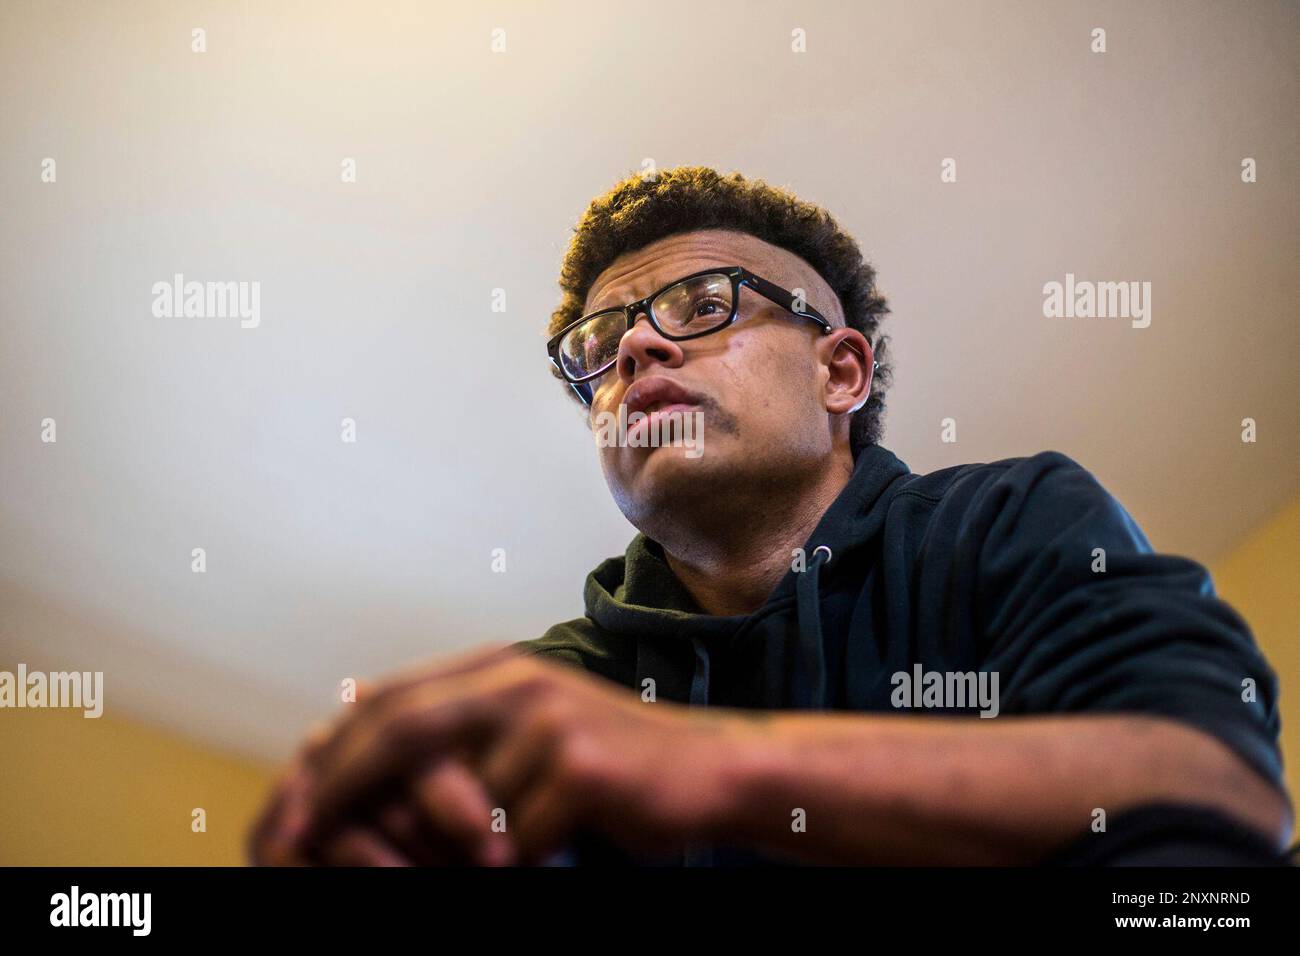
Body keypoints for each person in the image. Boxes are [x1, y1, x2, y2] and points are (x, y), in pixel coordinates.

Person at [250, 166, 1293, 866]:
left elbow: (1223, 796)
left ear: (840, 371)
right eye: (598, 347)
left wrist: (704, 762)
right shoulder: (553, 694)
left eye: (703, 306)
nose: (634, 353)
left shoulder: (1008, 517)